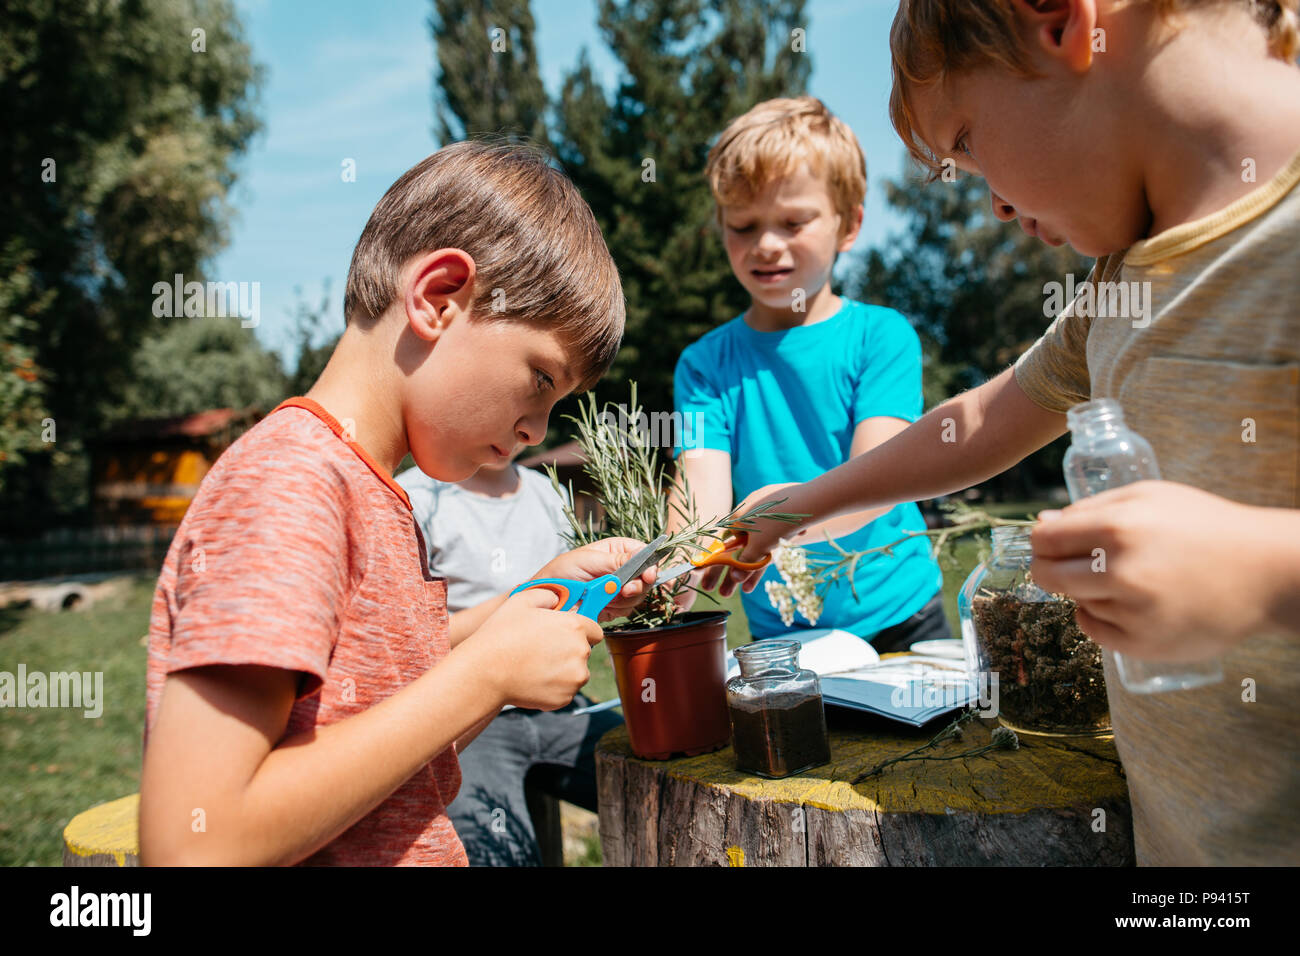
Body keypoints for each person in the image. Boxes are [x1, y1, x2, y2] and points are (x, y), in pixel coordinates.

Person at [724, 0, 1300, 865]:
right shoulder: (1121, 282)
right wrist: (794, 509)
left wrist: (1261, 574)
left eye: (964, 141)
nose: (991, 203)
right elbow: (982, 421)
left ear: (1061, 22)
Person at [138, 140, 658, 866]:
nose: (538, 429)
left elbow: (383, 729)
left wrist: (547, 598)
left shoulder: (372, 494)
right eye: (542, 378)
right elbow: (196, 841)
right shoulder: (291, 486)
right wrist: (485, 677)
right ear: (438, 297)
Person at [669, 96, 949, 652]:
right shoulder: (704, 365)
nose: (767, 244)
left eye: (793, 221)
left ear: (849, 225)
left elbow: (878, 480)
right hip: (784, 637)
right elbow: (698, 496)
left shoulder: (881, 337)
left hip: (902, 617)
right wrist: (672, 570)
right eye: (743, 225)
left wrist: (779, 509)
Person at [396, 446, 623, 866]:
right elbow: (413, 641)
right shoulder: (412, 499)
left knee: (657, 780)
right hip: (473, 723)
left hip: (561, 711)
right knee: (497, 853)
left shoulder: (547, 493)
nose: (529, 426)